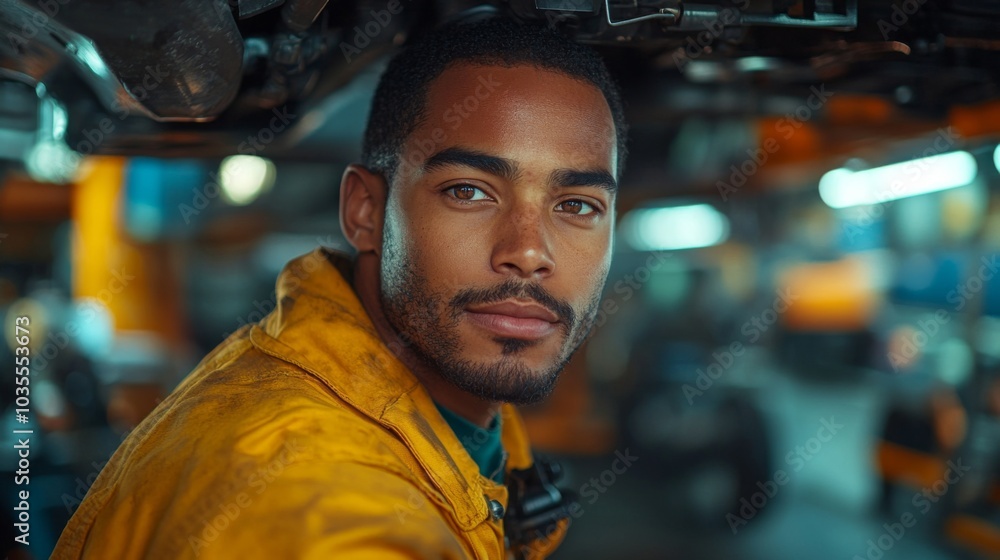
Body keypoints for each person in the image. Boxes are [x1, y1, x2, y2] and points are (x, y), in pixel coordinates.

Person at [52, 15, 628, 559]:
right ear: (365, 212)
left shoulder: (452, 415)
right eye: (469, 191)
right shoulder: (318, 502)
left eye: (577, 205)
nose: (529, 252)